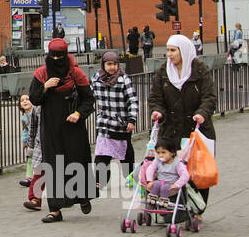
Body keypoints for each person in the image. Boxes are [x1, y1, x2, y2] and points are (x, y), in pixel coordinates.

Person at [148, 34, 217, 223]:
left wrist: (202, 113)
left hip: (196, 129)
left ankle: (196, 210)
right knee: (170, 171)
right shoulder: (163, 72)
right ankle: (174, 211)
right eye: (167, 50)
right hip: (171, 130)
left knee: (197, 173)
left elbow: (209, 97)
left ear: (183, 51)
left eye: (173, 50)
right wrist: (157, 111)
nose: (169, 55)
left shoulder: (200, 71)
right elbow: (155, 98)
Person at [28, 38, 97, 223]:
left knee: (77, 162)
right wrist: (45, 86)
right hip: (50, 128)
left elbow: (89, 99)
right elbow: (34, 98)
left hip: (73, 127)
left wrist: (78, 114)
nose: (56, 60)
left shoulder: (76, 73)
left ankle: (83, 197)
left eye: (60, 56)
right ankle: (55, 209)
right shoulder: (41, 74)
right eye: (53, 56)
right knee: (53, 166)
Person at [91, 50, 138, 194]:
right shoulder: (96, 79)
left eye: (115, 64)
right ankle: (99, 181)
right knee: (102, 154)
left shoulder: (124, 79)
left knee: (126, 154)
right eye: (109, 64)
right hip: (104, 123)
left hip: (121, 124)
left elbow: (132, 100)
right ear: (103, 64)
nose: (112, 67)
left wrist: (132, 119)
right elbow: (88, 95)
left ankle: (131, 177)